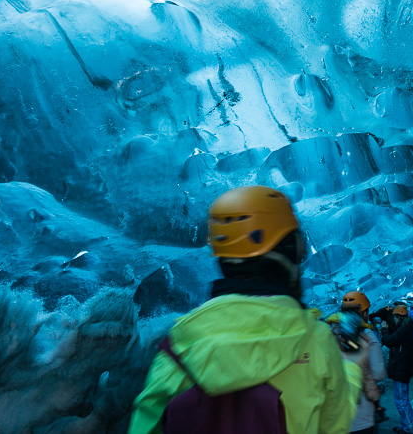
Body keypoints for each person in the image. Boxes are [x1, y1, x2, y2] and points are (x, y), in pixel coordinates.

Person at [128, 185, 363, 434]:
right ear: (290, 250)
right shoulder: (316, 340)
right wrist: (351, 369)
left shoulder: (179, 343)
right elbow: (335, 425)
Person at [338, 291, 387, 434]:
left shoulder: (332, 333)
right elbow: (379, 373)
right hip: (362, 413)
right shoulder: (369, 337)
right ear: (364, 313)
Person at [382, 304, 413, 434]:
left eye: (395, 317)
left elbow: (390, 341)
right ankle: (405, 426)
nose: (394, 319)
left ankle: (411, 429)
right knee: (400, 400)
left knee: (402, 402)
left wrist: (384, 329)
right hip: (401, 368)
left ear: (400, 317)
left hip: (401, 369)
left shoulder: (404, 329)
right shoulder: (405, 328)